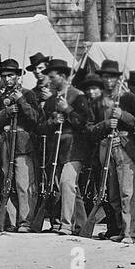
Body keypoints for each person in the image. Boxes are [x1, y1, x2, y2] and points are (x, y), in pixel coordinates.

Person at [37, 59, 91, 235]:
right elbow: (41, 127)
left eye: (52, 77)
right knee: (66, 187)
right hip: (56, 149)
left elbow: (84, 123)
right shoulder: (51, 100)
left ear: (62, 76)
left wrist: (67, 109)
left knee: (67, 183)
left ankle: (66, 225)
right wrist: (53, 120)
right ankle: (82, 226)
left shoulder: (78, 96)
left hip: (74, 148)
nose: (49, 81)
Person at [0, 58, 40, 232]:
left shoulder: (29, 94)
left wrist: (22, 101)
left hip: (23, 144)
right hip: (4, 144)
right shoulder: (0, 97)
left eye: (11, 76)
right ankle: (10, 220)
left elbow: (36, 119)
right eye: (4, 76)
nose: (8, 79)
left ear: (18, 76)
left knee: (24, 184)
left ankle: (25, 221)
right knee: (6, 182)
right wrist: (6, 112)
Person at [93, 60, 135, 242]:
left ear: (118, 78)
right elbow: (91, 127)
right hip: (106, 146)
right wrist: (106, 124)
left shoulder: (127, 98)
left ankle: (131, 233)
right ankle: (121, 230)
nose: (108, 80)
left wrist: (123, 115)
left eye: (111, 76)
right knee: (113, 193)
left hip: (124, 146)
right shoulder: (99, 101)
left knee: (127, 191)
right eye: (105, 76)